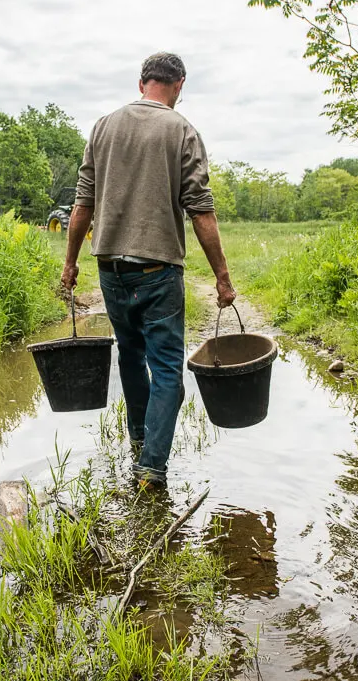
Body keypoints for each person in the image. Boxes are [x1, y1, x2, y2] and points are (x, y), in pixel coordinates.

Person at [60, 52, 236, 490]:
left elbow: (83, 203)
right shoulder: (182, 130)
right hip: (158, 271)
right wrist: (222, 276)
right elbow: (201, 210)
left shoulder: (103, 127)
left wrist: (70, 263)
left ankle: (139, 440)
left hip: (110, 269)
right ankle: (151, 468)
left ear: (142, 83)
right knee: (167, 371)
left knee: (131, 356)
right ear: (179, 85)